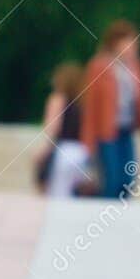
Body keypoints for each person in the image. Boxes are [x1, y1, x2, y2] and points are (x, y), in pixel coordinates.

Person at [81, 20, 140, 200]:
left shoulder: (136, 66)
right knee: (112, 179)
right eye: (129, 42)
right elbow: (91, 105)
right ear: (116, 43)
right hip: (107, 132)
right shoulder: (99, 66)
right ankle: (103, 217)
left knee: (129, 179)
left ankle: (120, 220)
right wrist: (88, 139)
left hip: (126, 129)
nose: (134, 47)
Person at [37, 62, 95, 198]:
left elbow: (52, 130)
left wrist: (42, 154)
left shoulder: (57, 100)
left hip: (63, 152)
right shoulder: (84, 103)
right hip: (82, 152)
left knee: (58, 196)